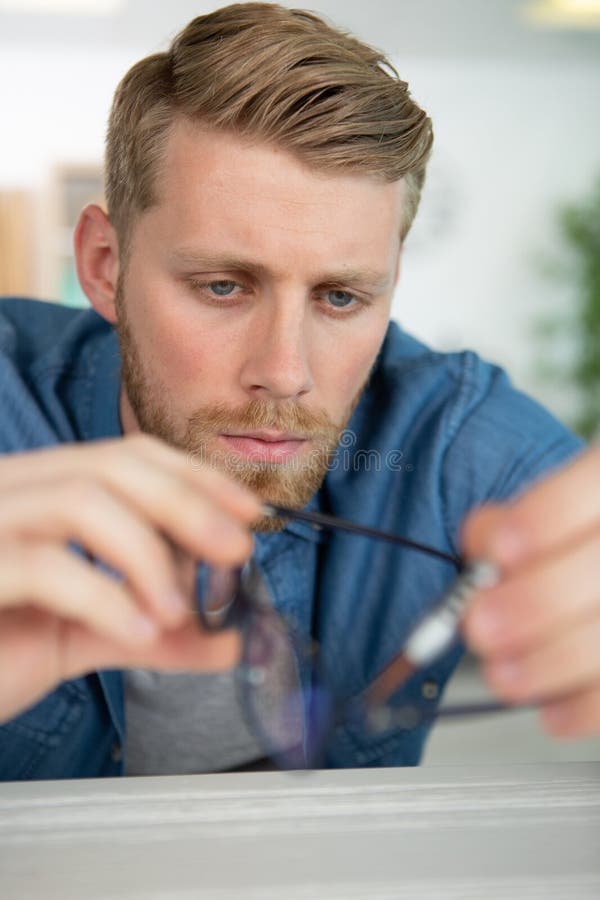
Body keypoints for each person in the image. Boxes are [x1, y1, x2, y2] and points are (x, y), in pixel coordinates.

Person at [0, 2, 597, 780]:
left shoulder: (443, 432)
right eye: (223, 287)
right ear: (106, 265)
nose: (285, 373)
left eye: (340, 298)